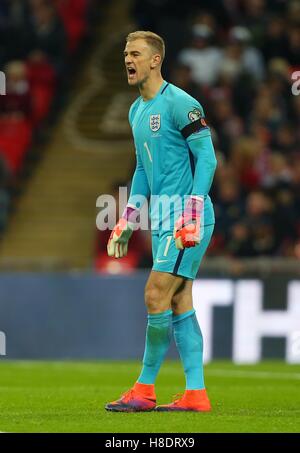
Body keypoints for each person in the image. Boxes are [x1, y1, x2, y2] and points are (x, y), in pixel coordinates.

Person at [105, 31, 217, 412]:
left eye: (135, 53)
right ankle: (195, 394)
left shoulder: (181, 103)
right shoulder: (136, 111)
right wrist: (127, 219)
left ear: (155, 60)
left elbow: (208, 159)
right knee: (180, 300)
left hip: (187, 222)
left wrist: (194, 211)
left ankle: (144, 388)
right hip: (162, 221)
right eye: (125, 54)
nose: (127, 59)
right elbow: (142, 169)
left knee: (155, 294)